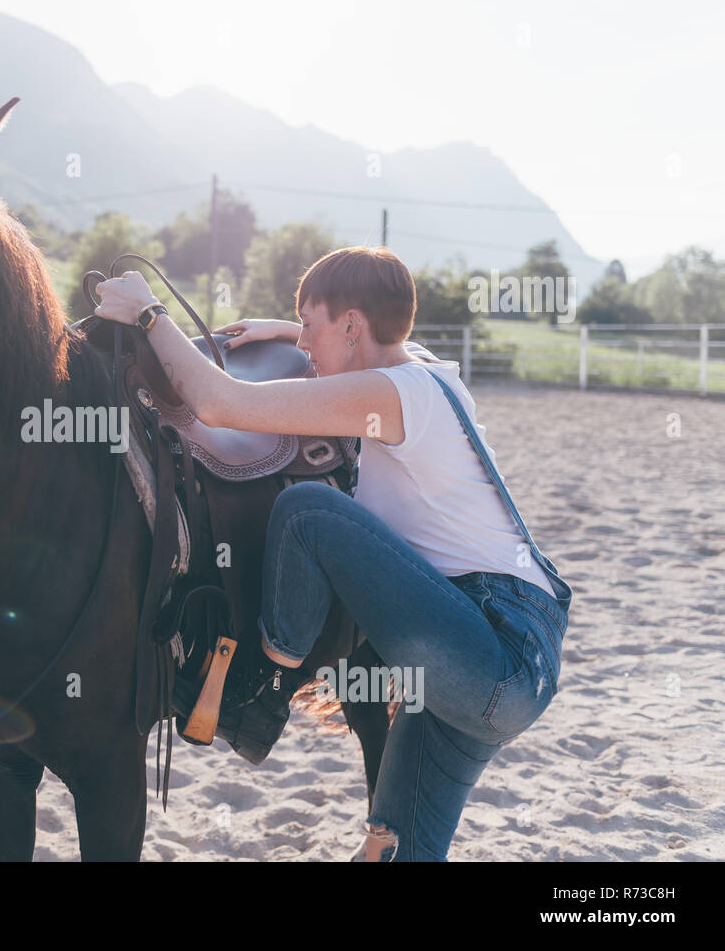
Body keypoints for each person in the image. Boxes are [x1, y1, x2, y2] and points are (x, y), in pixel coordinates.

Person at [93, 246, 571, 861]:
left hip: (492, 643)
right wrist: (284, 328)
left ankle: (261, 688)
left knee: (308, 512)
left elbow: (220, 404)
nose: (305, 348)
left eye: (313, 328)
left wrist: (149, 313)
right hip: (502, 668)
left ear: (351, 325)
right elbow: (375, 339)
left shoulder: (393, 395)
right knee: (392, 850)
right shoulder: (427, 373)